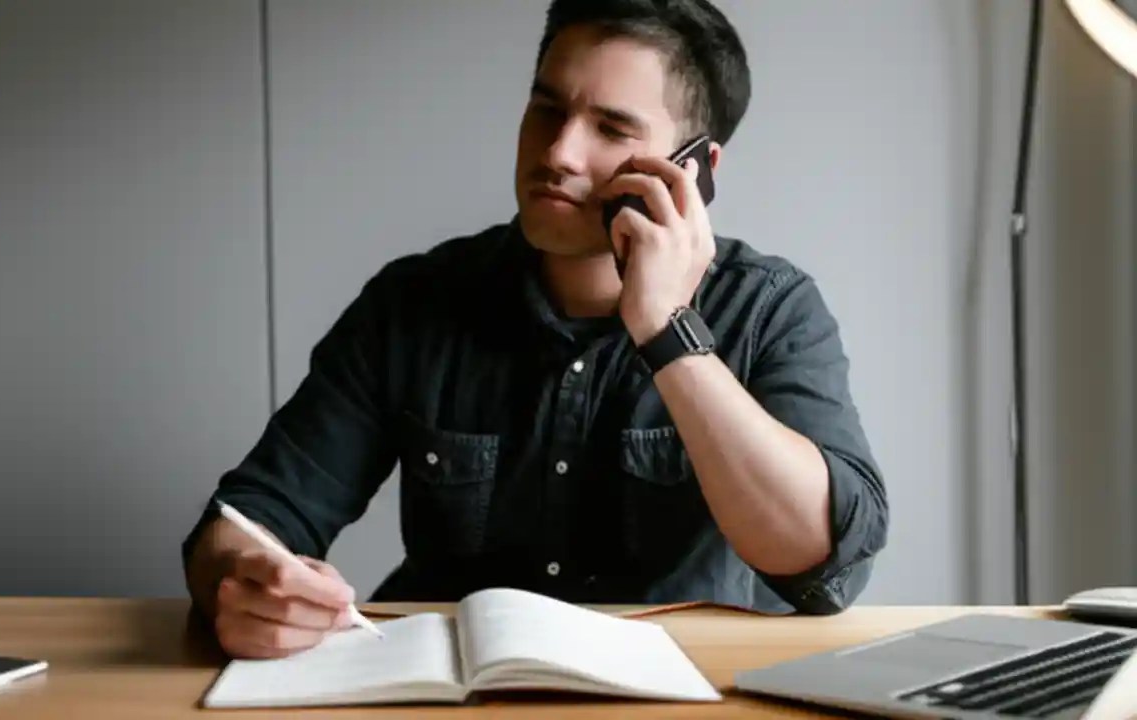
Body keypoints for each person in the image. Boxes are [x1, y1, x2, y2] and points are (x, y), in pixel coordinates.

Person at [183, 0, 888, 660]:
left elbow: (821, 555)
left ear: (696, 168)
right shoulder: (416, 301)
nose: (559, 152)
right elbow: (252, 516)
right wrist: (244, 581)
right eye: (546, 109)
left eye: (612, 129)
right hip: (452, 694)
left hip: (684, 693)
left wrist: (669, 331)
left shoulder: (770, 309)